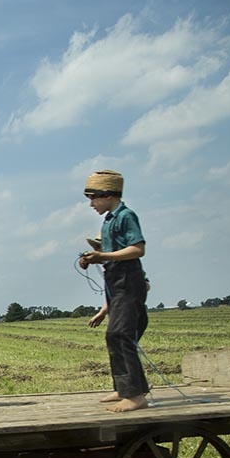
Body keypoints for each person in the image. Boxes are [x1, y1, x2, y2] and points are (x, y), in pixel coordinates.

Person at [78, 169, 149, 412]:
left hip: (128, 281)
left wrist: (103, 256)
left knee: (121, 334)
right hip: (115, 282)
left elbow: (137, 249)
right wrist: (92, 259)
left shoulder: (126, 216)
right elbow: (108, 254)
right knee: (113, 335)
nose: (91, 204)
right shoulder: (109, 220)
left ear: (108, 195)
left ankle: (136, 395)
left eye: (93, 198)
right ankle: (122, 388)